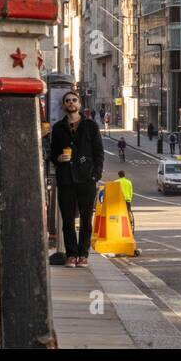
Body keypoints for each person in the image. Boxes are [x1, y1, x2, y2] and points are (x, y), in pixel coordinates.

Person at [49, 91, 104, 268]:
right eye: (67, 101)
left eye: (74, 100)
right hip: (66, 179)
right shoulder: (58, 128)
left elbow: (99, 153)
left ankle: (83, 254)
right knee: (67, 220)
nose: (71, 103)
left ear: (79, 104)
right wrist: (58, 158)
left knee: (87, 219)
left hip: (86, 178)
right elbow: (52, 153)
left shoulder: (90, 126)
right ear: (64, 105)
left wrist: (96, 175)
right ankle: (71, 254)